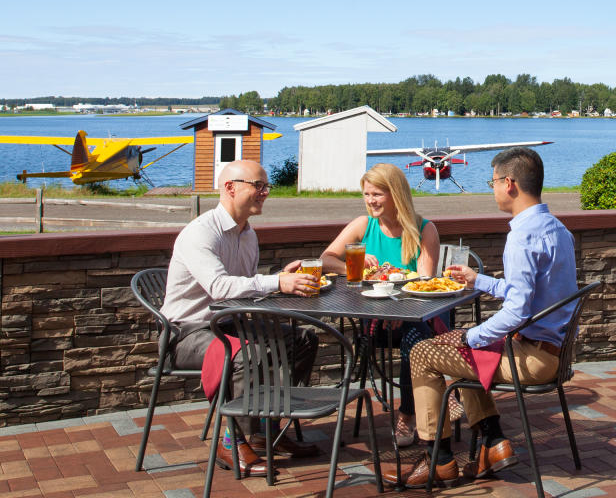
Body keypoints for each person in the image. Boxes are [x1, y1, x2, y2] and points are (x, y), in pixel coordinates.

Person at [381, 146, 578, 489]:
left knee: (424, 352)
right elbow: (530, 292)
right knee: (460, 343)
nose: (492, 189)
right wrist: (480, 281)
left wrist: (471, 337)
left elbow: (517, 310)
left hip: (531, 358)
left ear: (510, 183)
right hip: (552, 352)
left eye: (493, 182)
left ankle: (438, 460)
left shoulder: (520, 237)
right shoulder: (558, 229)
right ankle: (493, 443)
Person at [160, 160, 321, 476]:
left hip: (229, 322)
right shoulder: (200, 234)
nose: (264, 193)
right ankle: (232, 441)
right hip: (187, 331)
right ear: (230, 188)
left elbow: (243, 291)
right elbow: (220, 288)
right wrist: (276, 283)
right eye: (257, 186)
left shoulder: (248, 235)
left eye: (266, 186)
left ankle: (267, 429)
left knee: (303, 339)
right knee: (250, 355)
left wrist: (278, 279)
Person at [320, 163, 442, 447]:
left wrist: (401, 310)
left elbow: (425, 283)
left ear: (395, 194)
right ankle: (439, 403)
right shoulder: (364, 226)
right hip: (373, 319)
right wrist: (355, 264)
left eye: (377, 194)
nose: (370, 200)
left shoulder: (424, 230)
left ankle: (407, 414)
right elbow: (326, 258)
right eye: (366, 194)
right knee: (417, 337)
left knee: (417, 338)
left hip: (414, 317)